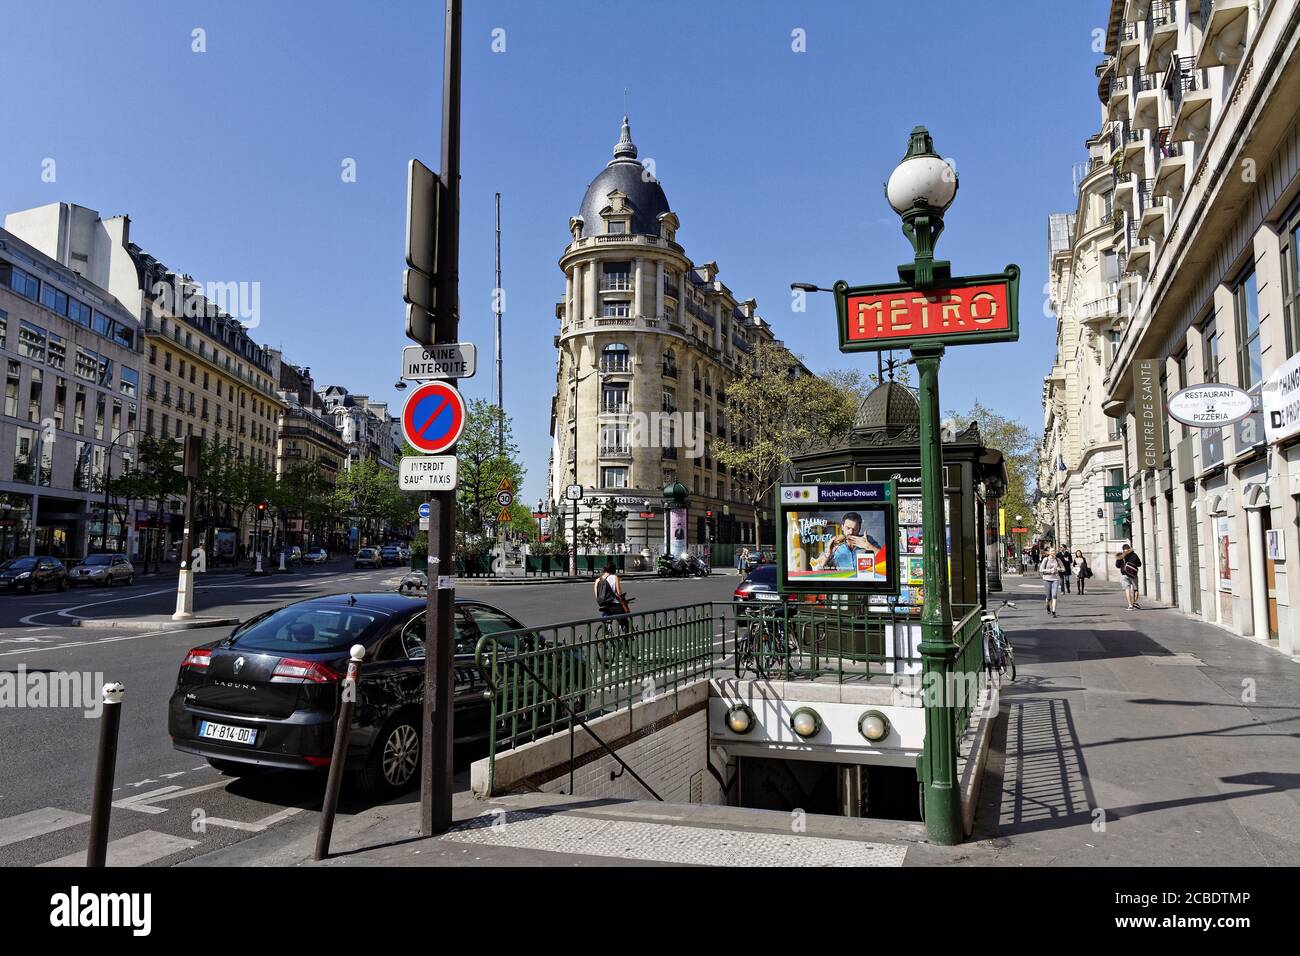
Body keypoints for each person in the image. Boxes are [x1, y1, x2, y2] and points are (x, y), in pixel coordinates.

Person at [814, 512, 880, 571]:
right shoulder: (835, 544)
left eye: (854, 529)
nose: (851, 532)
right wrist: (828, 554)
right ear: (842, 527)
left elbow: (885, 560)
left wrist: (868, 546)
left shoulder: (867, 540)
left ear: (859, 529)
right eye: (848, 528)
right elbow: (816, 569)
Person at [594, 561, 631, 632]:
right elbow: (619, 593)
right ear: (613, 569)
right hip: (615, 606)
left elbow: (597, 596)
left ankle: (606, 633)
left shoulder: (597, 580)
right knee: (624, 621)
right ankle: (625, 639)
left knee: (605, 623)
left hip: (604, 606)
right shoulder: (615, 577)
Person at [1116, 544, 1143, 609]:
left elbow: (1117, 565)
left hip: (1124, 574)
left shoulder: (1121, 556)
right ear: (1129, 548)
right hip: (1133, 574)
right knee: (1135, 589)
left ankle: (1130, 605)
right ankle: (1135, 603)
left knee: (1127, 589)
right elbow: (1139, 564)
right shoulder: (1134, 555)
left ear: (1123, 549)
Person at [1039, 545, 1062, 618]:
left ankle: (1054, 611)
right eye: (1052, 551)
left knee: (1054, 595)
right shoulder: (1046, 559)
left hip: (1055, 579)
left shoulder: (1058, 559)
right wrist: (1050, 570)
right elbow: (1041, 569)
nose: (1053, 552)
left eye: (1054, 551)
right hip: (1047, 579)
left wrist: (1059, 569)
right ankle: (1048, 606)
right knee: (1048, 597)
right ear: (1049, 552)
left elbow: (1063, 568)